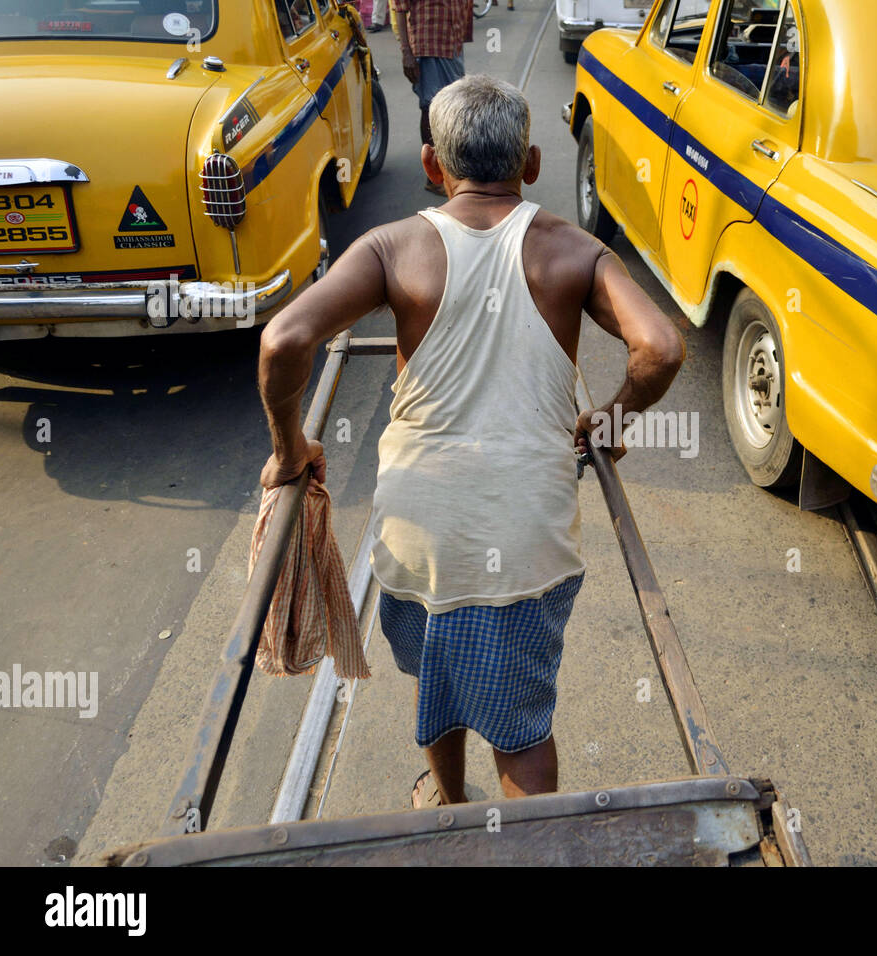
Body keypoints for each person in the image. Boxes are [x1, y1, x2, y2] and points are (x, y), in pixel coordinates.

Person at [257, 75, 686, 809]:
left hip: (417, 534)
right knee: (521, 730)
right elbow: (661, 349)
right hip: (528, 539)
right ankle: (526, 843)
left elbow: (284, 339)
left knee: (439, 678)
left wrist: (291, 449)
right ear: (532, 164)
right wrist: (611, 424)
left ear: (431, 166)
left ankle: (448, 803)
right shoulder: (576, 252)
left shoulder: (393, 247)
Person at [392, 0, 473, 193]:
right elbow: (400, 9)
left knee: (453, 110)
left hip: (453, 44)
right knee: (430, 109)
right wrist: (406, 52)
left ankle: (451, 170)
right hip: (428, 46)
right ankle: (434, 177)